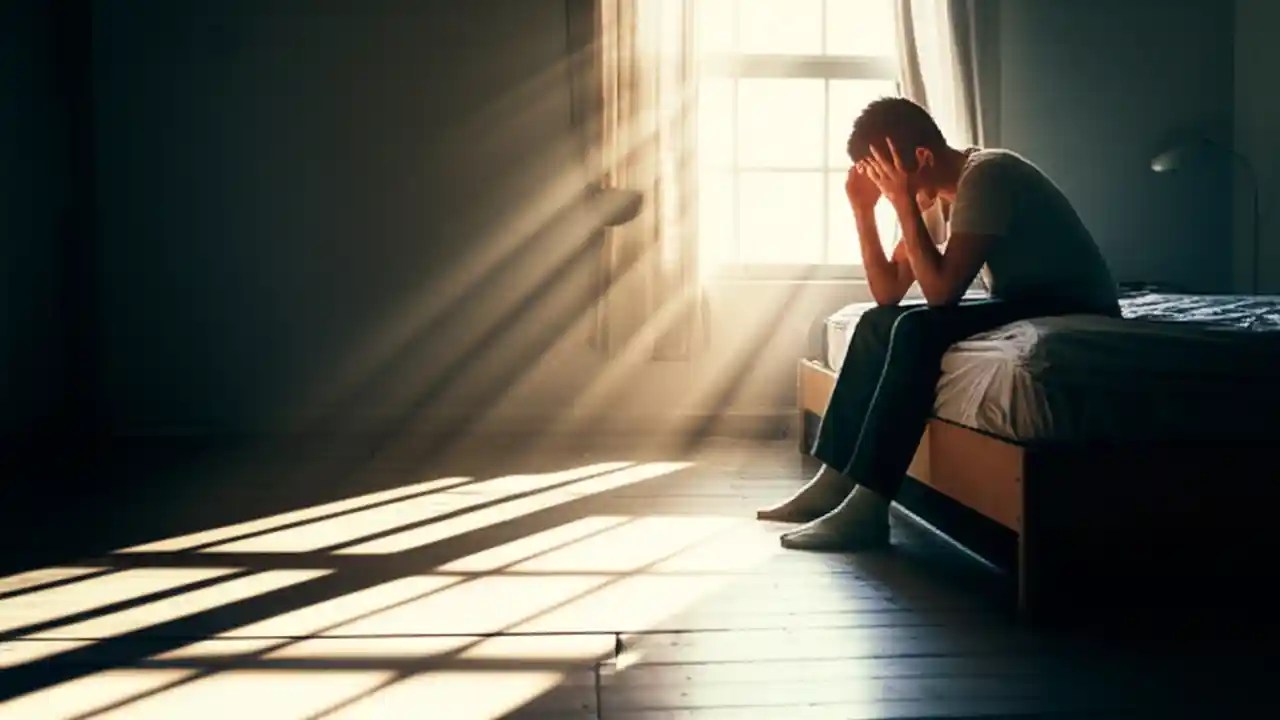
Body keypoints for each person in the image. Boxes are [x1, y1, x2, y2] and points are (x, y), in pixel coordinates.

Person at [758, 97, 1120, 551]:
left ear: (922, 159)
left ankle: (869, 507)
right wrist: (864, 213)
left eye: (888, 178)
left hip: (1072, 304)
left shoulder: (987, 176)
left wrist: (904, 203)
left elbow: (942, 294)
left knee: (917, 331)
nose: (888, 192)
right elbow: (888, 292)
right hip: (1025, 300)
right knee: (877, 323)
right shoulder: (931, 195)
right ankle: (833, 480)